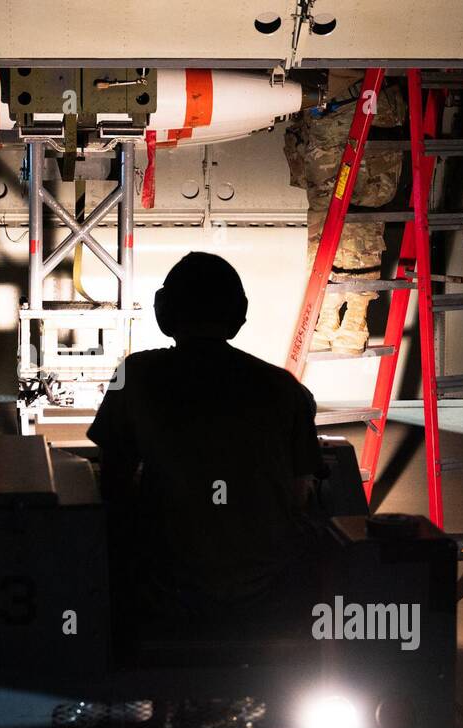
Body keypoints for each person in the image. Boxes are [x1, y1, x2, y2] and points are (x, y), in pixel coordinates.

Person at [87, 252, 325, 636]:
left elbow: (113, 485)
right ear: (238, 313)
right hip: (267, 589)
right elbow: (299, 495)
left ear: (164, 311)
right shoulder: (285, 388)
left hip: (166, 590)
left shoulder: (134, 376)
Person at [284, 70, 406, 356]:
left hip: (358, 110)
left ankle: (355, 318)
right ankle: (326, 315)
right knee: (322, 224)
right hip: (322, 117)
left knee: (359, 221)